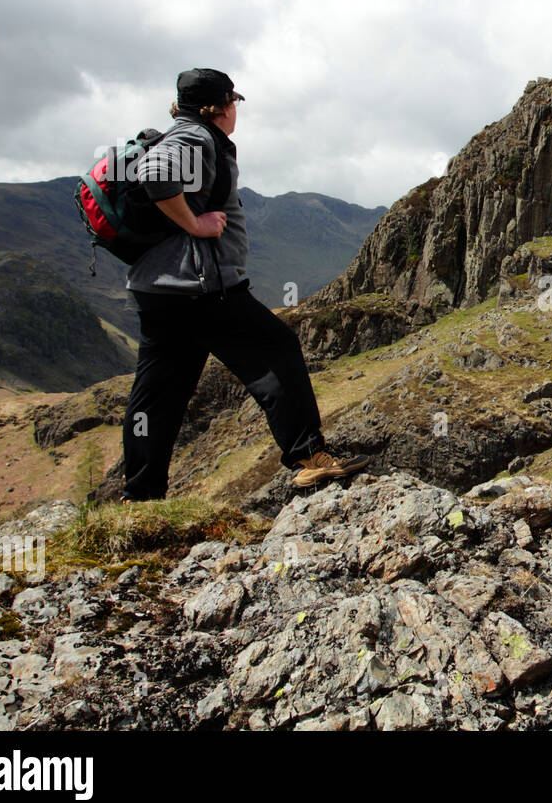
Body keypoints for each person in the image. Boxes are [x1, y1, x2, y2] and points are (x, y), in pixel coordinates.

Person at [120, 67, 369, 501]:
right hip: (202, 289)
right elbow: (155, 175)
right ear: (218, 107)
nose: (236, 110)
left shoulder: (180, 135)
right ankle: (309, 458)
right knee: (277, 349)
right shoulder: (194, 138)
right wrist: (195, 224)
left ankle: (140, 498)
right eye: (234, 102)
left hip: (160, 291)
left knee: (159, 394)